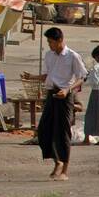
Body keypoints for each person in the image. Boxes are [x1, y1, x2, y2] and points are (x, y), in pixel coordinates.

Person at [37, 27, 87, 180]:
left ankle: (64, 168)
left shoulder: (73, 56)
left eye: (51, 42)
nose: (49, 45)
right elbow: (48, 74)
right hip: (52, 93)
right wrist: (33, 77)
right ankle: (56, 160)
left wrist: (67, 89)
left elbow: (82, 77)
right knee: (44, 130)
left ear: (59, 40)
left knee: (63, 132)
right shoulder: (49, 55)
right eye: (48, 42)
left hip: (65, 96)